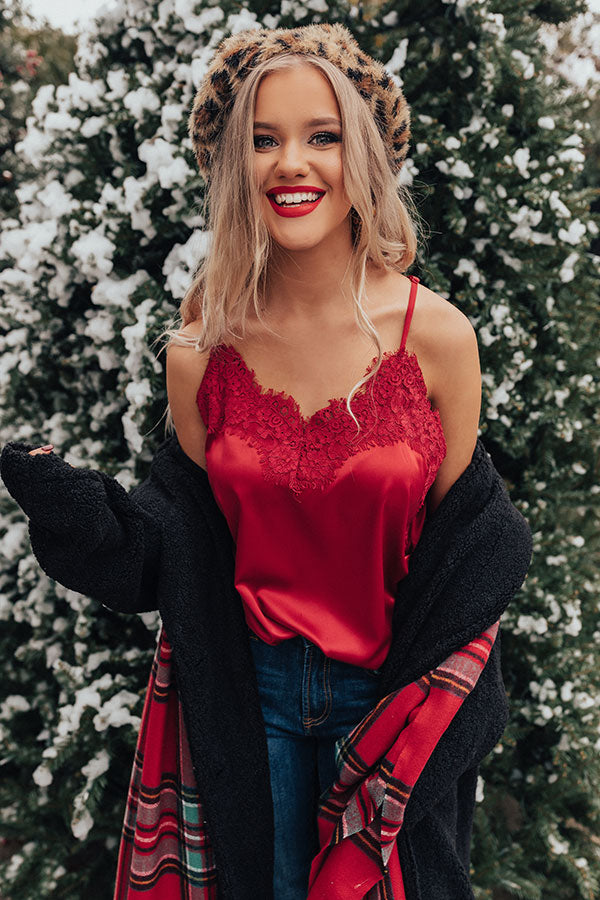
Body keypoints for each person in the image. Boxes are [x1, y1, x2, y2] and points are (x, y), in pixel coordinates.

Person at [1, 22, 532, 900]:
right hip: (252, 703)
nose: (292, 163)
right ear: (231, 163)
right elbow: (179, 543)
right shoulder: (201, 348)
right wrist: (75, 508)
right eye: (263, 139)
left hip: (391, 706)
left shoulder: (438, 339)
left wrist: (446, 722)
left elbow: (469, 557)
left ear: (361, 153)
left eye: (322, 136)